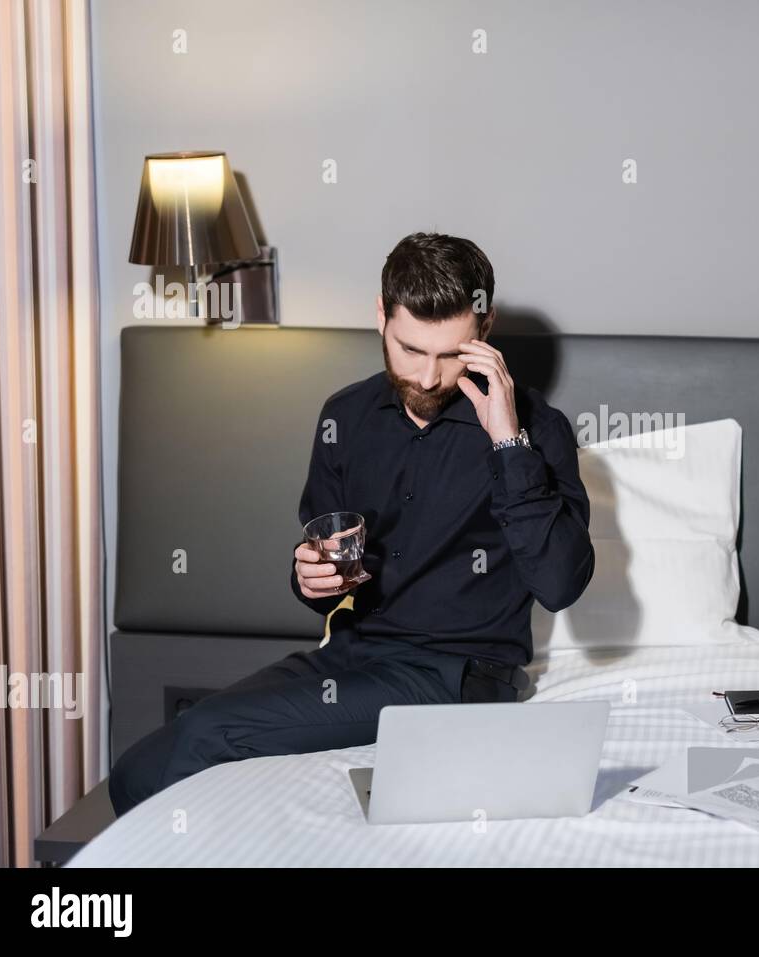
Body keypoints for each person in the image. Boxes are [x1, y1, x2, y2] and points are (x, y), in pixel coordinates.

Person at [108, 232, 595, 816]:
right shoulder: (345, 416)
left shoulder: (536, 430)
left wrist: (508, 443)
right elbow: (321, 568)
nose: (430, 377)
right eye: (411, 349)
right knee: (136, 769)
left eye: (452, 354)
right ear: (380, 317)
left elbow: (561, 584)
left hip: (458, 678)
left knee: (207, 733)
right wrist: (311, 578)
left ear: (483, 334)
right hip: (349, 658)